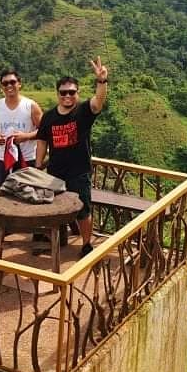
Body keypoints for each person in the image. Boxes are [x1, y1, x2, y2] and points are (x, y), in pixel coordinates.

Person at [35, 56, 109, 257]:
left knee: (83, 210)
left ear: (78, 93)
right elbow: (42, 140)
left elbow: (99, 101)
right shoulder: (49, 117)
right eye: (63, 92)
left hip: (79, 171)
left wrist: (101, 81)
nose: (67, 96)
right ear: (57, 93)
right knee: (55, 208)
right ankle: (58, 240)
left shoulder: (83, 111)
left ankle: (86, 245)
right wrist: (38, 164)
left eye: (72, 92)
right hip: (55, 172)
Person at [0, 68, 42, 187]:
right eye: (5, 83)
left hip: (27, 159)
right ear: (2, 86)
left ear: (19, 84)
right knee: (3, 195)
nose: (9, 86)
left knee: (27, 196)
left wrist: (26, 136)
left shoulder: (31, 106)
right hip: (3, 159)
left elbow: (44, 131)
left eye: (12, 82)